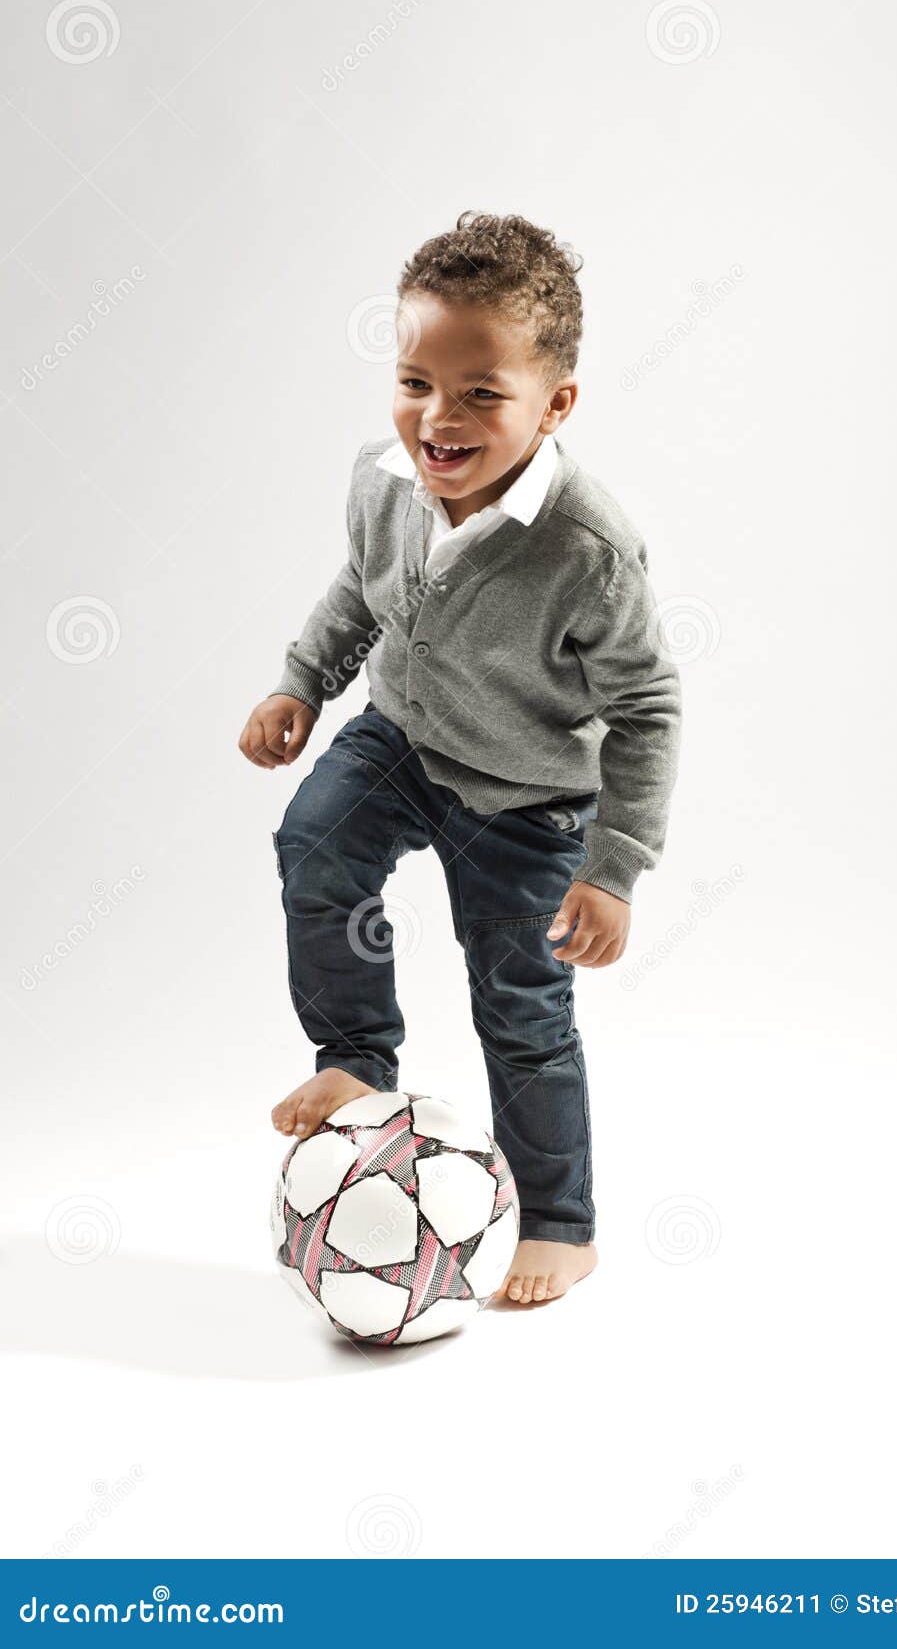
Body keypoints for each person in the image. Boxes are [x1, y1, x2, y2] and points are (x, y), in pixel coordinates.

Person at [238, 211, 682, 1306]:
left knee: (521, 1009)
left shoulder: (587, 547)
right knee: (314, 842)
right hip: (401, 739)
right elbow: (359, 586)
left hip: (528, 799)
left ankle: (562, 1221)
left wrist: (612, 865)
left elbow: (648, 706)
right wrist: (302, 680)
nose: (438, 418)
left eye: (482, 392)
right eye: (414, 381)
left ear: (553, 404)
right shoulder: (382, 476)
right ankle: (354, 1060)